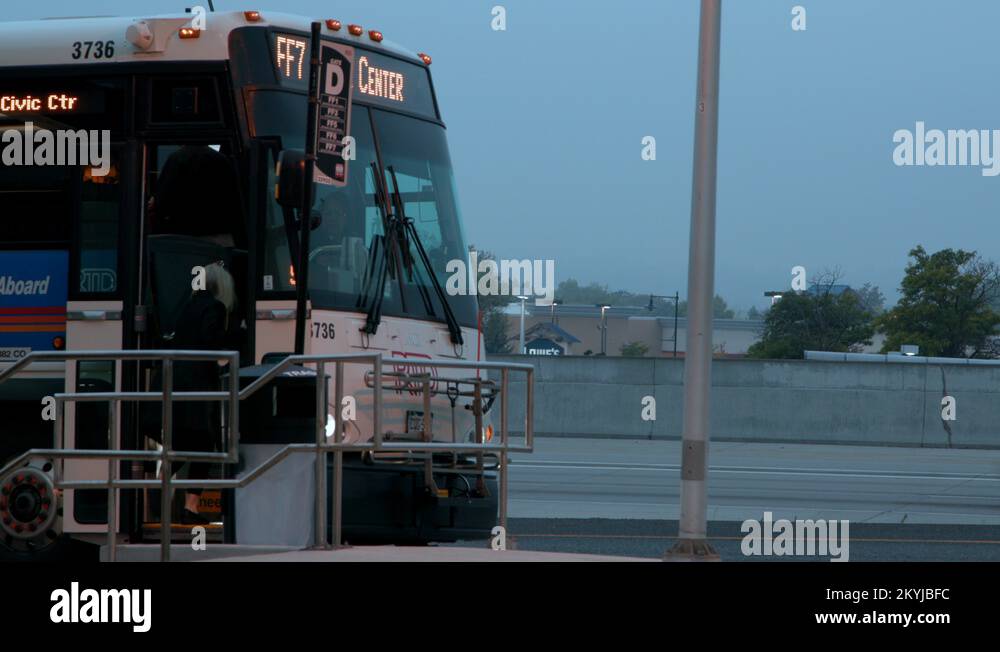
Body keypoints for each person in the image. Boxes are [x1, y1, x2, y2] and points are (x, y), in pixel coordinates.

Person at [168, 262, 238, 524]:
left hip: (179, 382)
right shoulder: (215, 307)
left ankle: (161, 482)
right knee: (204, 444)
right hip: (199, 384)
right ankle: (190, 506)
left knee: (188, 443)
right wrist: (235, 336)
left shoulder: (188, 306)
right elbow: (212, 340)